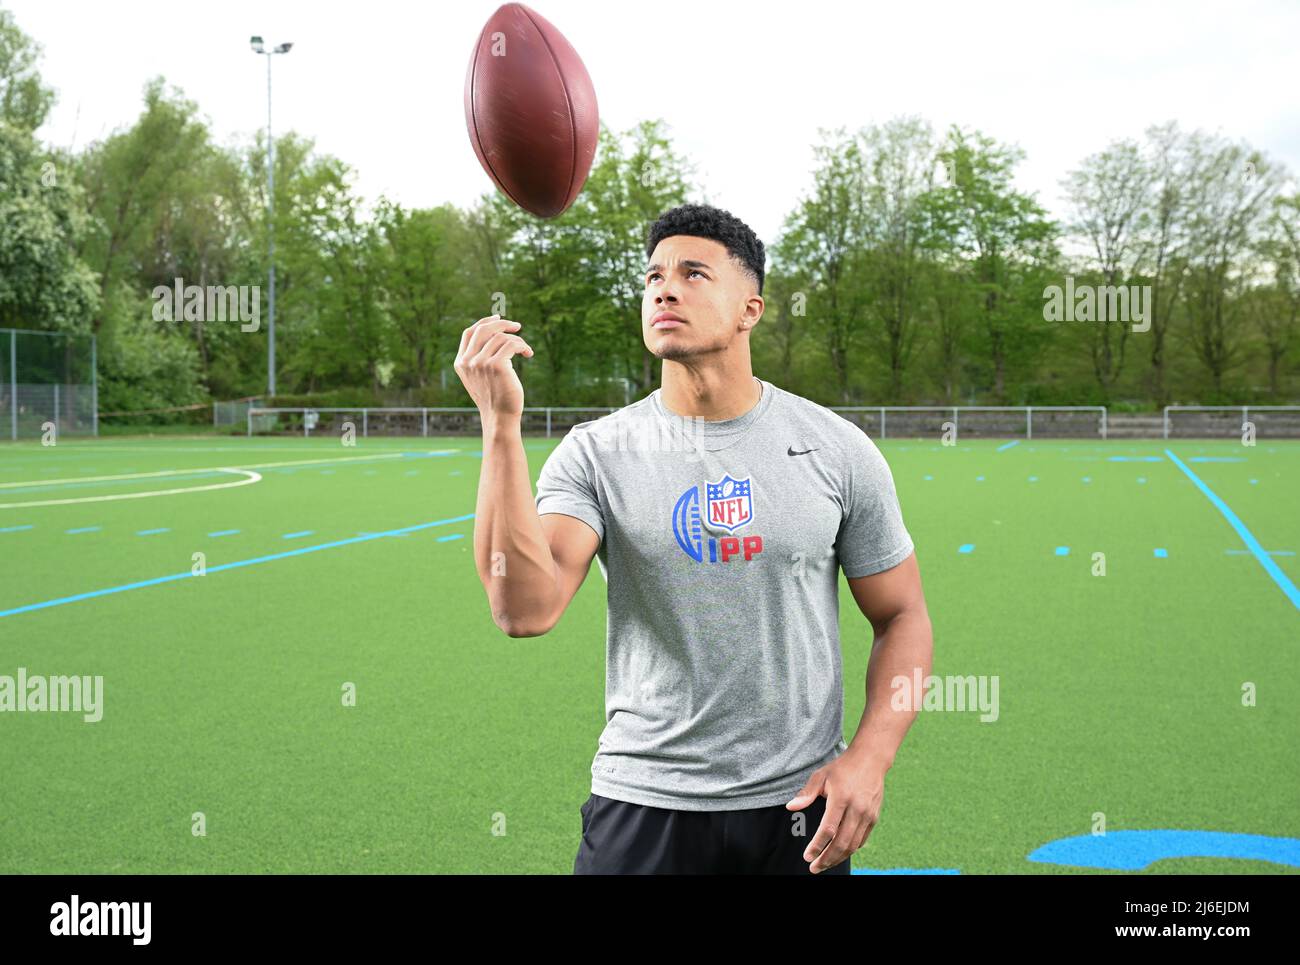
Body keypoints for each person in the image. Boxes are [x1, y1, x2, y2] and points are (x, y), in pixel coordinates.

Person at [454, 203, 933, 875]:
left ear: (751, 309)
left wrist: (870, 759)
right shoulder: (596, 453)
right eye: (653, 275)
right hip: (642, 803)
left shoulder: (836, 448)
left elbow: (903, 614)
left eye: (693, 273)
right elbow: (524, 610)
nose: (664, 287)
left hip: (795, 809)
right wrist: (502, 425)